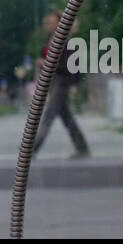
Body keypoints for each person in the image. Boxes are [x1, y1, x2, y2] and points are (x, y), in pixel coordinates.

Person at [30, 11, 90, 158]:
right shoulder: (51, 39)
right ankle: (82, 147)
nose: (49, 25)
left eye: (52, 22)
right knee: (66, 117)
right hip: (53, 82)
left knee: (49, 115)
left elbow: (68, 65)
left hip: (62, 83)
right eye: (48, 22)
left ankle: (33, 148)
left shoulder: (65, 41)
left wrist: (45, 63)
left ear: (59, 23)